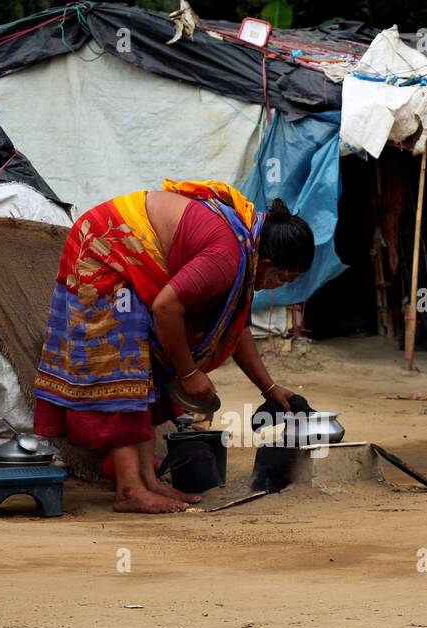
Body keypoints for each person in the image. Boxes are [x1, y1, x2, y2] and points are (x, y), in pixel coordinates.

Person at [34, 181, 314, 513]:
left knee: (144, 371)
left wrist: (268, 388)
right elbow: (166, 308)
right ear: (267, 262)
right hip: (104, 249)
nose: (275, 288)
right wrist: (189, 372)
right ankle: (129, 489)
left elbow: (235, 327)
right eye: (283, 280)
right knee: (122, 367)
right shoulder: (227, 255)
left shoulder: (244, 243)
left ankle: (147, 482)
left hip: (122, 248)